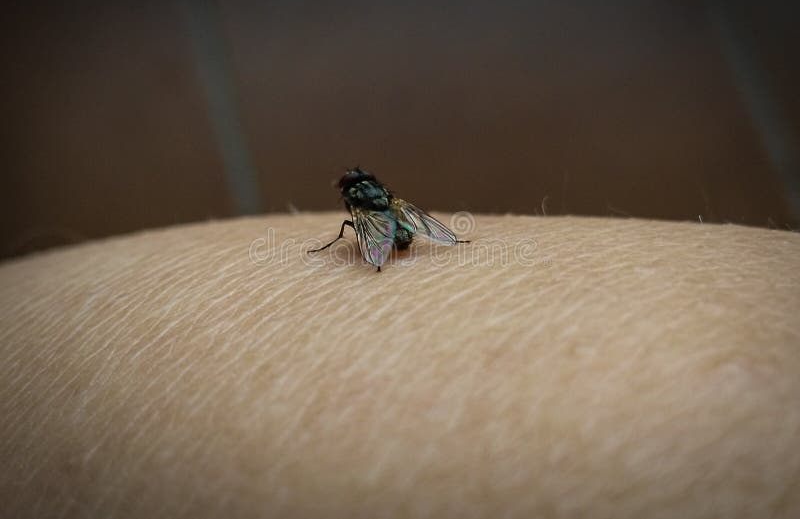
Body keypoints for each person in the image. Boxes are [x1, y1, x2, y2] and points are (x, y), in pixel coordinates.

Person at [1, 213, 798, 518]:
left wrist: (366, 250)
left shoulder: (363, 217)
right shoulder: (390, 207)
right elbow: (397, 218)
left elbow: (365, 226)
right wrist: (413, 234)